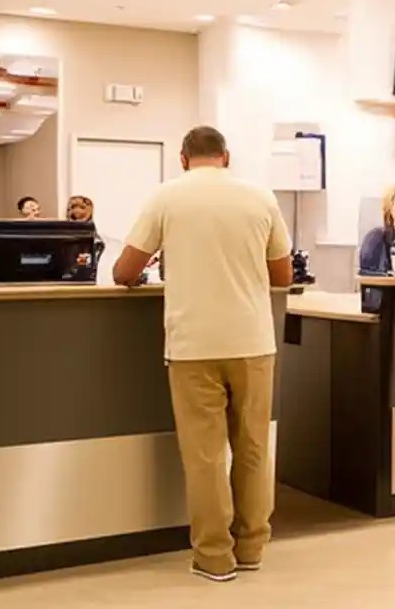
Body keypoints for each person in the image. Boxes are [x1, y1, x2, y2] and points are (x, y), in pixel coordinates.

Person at [112, 126, 293, 583]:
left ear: (182, 158)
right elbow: (283, 275)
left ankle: (214, 557)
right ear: (226, 157)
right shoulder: (261, 198)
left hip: (194, 344)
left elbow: (123, 271)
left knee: (206, 456)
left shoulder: (166, 197)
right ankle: (252, 548)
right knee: (252, 449)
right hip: (253, 341)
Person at [66, 195, 105, 281]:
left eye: (82, 207)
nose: (77, 211)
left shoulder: (98, 241)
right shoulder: (62, 237)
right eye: (73, 207)